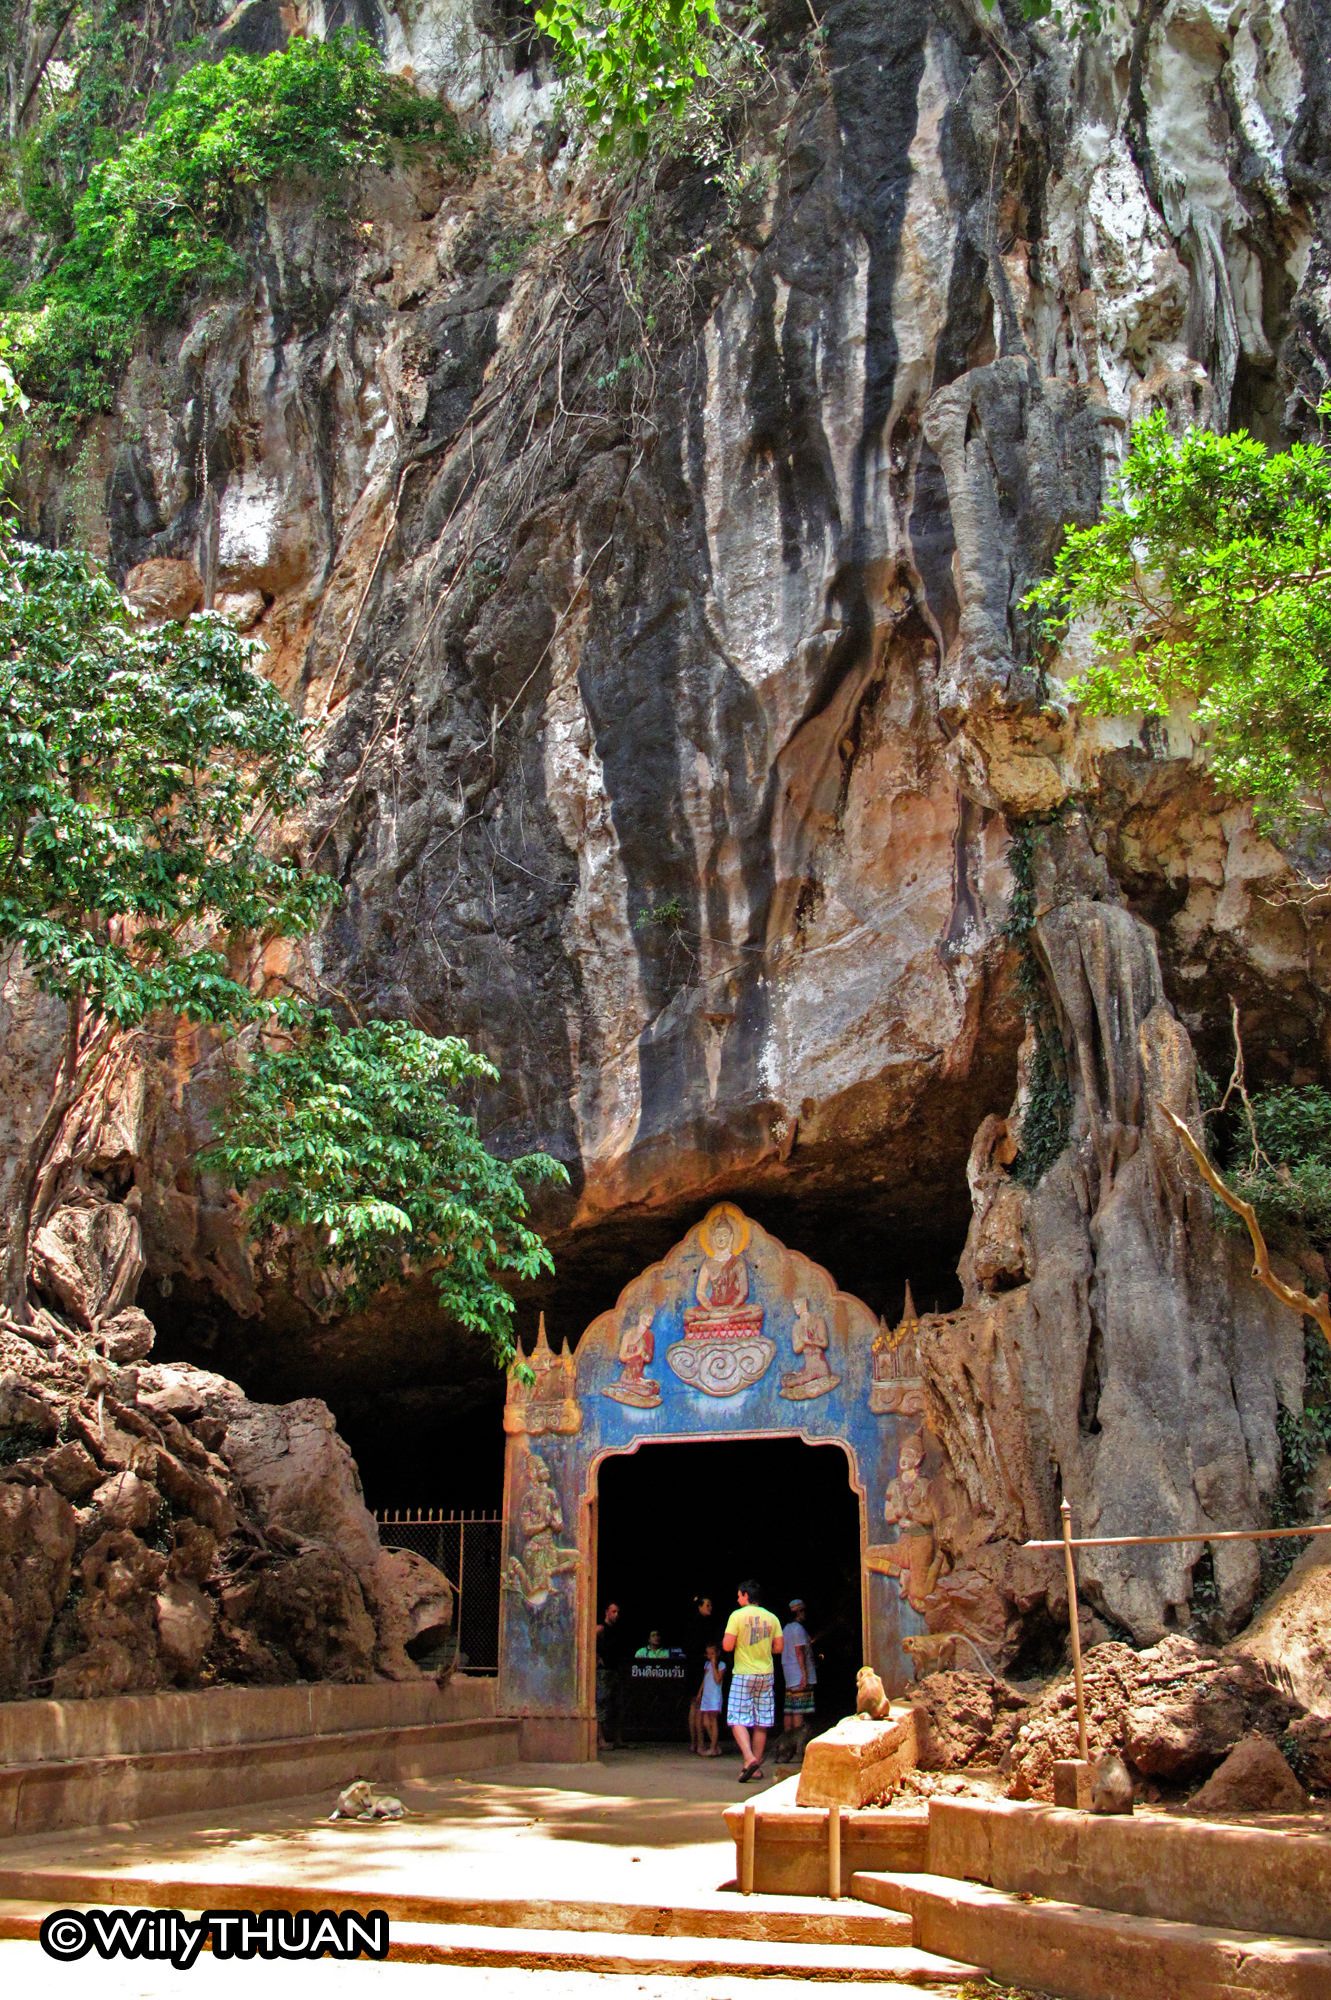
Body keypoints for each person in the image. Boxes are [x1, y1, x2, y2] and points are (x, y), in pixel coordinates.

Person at [722, 1577, 783, 1783]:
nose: (737, 1599)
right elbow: (778, 1648)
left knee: (736, 1717)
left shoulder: (736, 1616)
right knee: (761, 1721)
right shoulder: (772, 1618)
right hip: (766, 1673)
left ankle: (749, 1759)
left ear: (746, 1595)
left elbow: (728, 1645)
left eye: (739, 1595)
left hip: (743, 1672)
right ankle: (755, 1768)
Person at [780, 1597, 816, 1758]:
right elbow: (799, 1652)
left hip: (788, 1674)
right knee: (798, 1712)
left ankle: (786, 1746)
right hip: (798, 1675)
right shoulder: (798, 1629)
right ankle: (797, 1747)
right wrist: (804, 1674)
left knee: (789, 1710)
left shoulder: (785, 1629)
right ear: (798, 1612)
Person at [687, 1593, 720, 1754]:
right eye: (707, 1605)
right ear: (699, 1607)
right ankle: (699, 1743)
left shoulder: (697, 1623)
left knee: (694, 1704)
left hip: (696, 1665)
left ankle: (695, 1743)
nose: (710, 1608)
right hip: (699, 1667)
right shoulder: (700, 1624)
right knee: (698, 1704)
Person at [596, 1602, 628, 1751]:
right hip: (604, 1671)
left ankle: (617, 1739)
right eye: (613, 1611)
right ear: (607, 1612)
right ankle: (600, 1739)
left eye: (618, 1612)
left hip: (616, 1670)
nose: (616, 1614)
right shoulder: (601, 1628)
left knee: (618, 1705)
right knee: (601, 1704)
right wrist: (596, 1658)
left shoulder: (618, 1630)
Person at [696, 1642, 725, 1755]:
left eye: (712, 1654)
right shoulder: (706, 1665)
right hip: (706, 1695)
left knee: (713, 1720)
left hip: (714, 1696)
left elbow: (718, 1680)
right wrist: (700, 1692)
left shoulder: (721, 1665)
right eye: (708, 1654)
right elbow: (705, 1679)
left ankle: (713, 1748)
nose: (710, 1656)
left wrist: (714, 1665)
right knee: (705, 1722)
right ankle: (715, 1745)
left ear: (717, 1653)